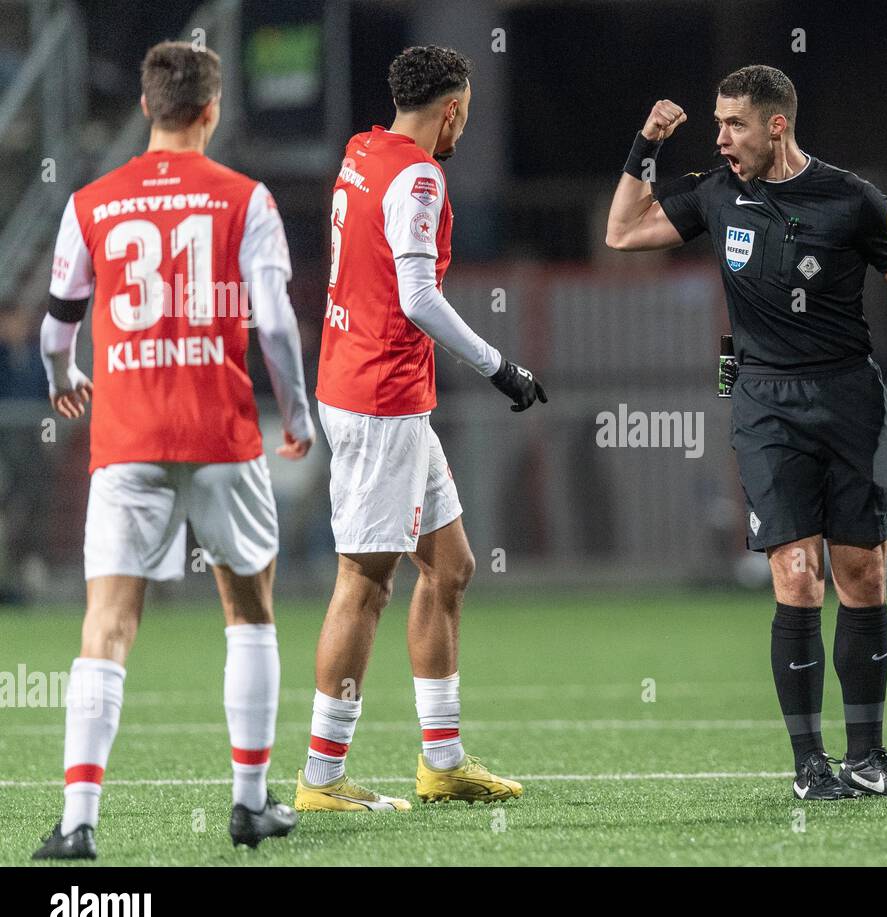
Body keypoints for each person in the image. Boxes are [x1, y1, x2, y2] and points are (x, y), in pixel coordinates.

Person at [605, 65, 887, 800]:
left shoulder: (853, 198)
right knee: (797, 577)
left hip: (850, 400)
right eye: (716, 124)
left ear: (777, 125)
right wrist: (645, 145)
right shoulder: (716, 191)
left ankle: (867, 758)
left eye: (733, 124)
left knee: (863, 575)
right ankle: (810, 767)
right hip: (766, 402)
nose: (720, 138)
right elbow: (621, 231)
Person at [33, 41, 314, 858]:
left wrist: (64, 375)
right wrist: (294, 414)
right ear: (211, 111)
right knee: (249, 614)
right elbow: (274, 322)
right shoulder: (245, 199)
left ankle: (80, 824)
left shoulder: (92, 202)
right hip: (222, 434)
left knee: (108, 624)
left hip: (128, 438)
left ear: (149, 109)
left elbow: (57, 327)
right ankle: (250, 804)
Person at [295, 46, 544, 813]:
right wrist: (499, 365)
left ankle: (442, 760)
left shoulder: (361, 151)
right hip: (380, 398)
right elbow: (416, 296)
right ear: (453, 110)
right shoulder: (421, 174)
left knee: (452, 566)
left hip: (366, 385)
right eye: (461, 115)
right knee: (364, 580)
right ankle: (321, 778)